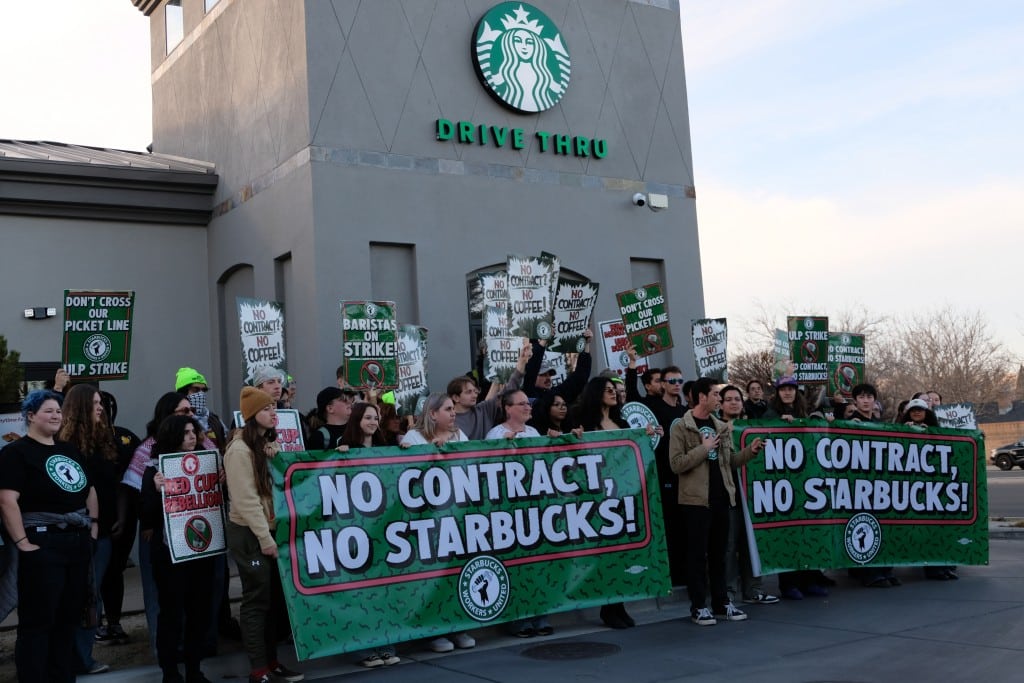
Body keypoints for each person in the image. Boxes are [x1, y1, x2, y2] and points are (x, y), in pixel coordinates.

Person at [0, 390, 99, 682]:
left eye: (58, 410)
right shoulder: (16, 453)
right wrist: (23, 542)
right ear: (31, 416)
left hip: (77, 540)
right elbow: (7, 499)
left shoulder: (69, 450)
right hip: (42, 541)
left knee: (68, 618)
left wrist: (93, 527)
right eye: (49, 411)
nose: (56, 415)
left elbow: (89, 490)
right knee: (38, 621)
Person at [123, 391, 217, 652]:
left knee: (199, 599)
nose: (190, 415)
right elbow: (138, 494)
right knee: (166, 601)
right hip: (164, 540)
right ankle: (165, 651)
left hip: (200, 539)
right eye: (183, 411)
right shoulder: (148, 450)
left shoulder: (204, 445)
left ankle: (200, 649)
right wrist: (149, 521)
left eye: (191, 411)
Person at [224, 387, 304, 683]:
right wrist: (265, 539)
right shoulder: (239, 451)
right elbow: (246, 501)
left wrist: (275, 450)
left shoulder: (264, 445)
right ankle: (258, 670)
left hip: (268, 530)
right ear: (251, 415)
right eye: (267, 408)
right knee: (257, 601)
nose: (274, 412)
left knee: (274, 602)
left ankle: (272, 662)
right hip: (250, 533)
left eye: (274, 407)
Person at [669, 378, 765, 626]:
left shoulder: (721, 426)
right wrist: (704, 448)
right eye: (715, 395)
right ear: (701, 397)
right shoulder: (682, 426)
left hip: (722, 498)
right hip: (695, 502)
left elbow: (730, 461)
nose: (719, 400)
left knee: (720, 555)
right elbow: (676, 464)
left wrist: (750, 452)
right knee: (697, 556)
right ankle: (699, 606)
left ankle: (722, 603)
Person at [141, 414, 218, 683]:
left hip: (202, 551)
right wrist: (156, 490)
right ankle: (170, 672)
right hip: (169, 555)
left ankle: (195, 669)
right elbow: (146, 516)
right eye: (185, 432)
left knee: (199, 613)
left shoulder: (208, 463)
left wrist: (221, 481)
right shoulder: (154, 470)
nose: (192, 436)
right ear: (172, 435)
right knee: (172, 615)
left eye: (193, 431)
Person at [59, 384, 116, 675]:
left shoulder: (102, 440)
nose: (100, 407)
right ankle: (77, 659)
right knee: (83, 597)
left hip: (102, 532)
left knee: (92, 597)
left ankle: (81, 656)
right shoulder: (66, 447)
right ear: (80, 407)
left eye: (100, 402)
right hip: (82, 532)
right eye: (94, 403)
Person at [574, 377, 637, 630]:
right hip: (595, 497)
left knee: (620, 553)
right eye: (608, 390)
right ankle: (607, 606)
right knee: (603, 554)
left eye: (615, 390)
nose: (614, 393)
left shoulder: (622, 422)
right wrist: (574, 437)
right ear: (596, 393)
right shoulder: (582, 420)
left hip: (622, 495)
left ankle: (618, 605)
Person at [718, 385, 778, 606]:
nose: (734, 403)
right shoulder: (716, 428)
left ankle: (754, 589)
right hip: (729, 494)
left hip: (754, 494)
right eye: (729, 399)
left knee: (751, 542)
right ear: (721, 404)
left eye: (737, 399)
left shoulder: (754, 426)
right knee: (729, 544)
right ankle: (728, 592)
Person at [847, 383, 900, 588]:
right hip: (859, 484)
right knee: (864, 526)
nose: (866, 401)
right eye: (861, 397)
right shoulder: (850, 423)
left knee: (883, 526)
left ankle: (885, 569)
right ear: (855, 401)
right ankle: (868, 572)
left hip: (880, 484)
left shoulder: (880, 424)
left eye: (869, 397)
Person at [449, 340, 530, 440]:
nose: (474, 395)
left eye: (475, 391)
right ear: (456, 397)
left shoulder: (483, 410)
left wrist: (522, 361)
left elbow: (510, 388)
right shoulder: (448, 420)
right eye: (468, 392)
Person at [401, 394, 469, 447]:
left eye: (453, 409)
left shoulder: (458, 434)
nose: (453, 414)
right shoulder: (413, 437)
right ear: (433, 414)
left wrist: (447, 448)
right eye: (448, 409)